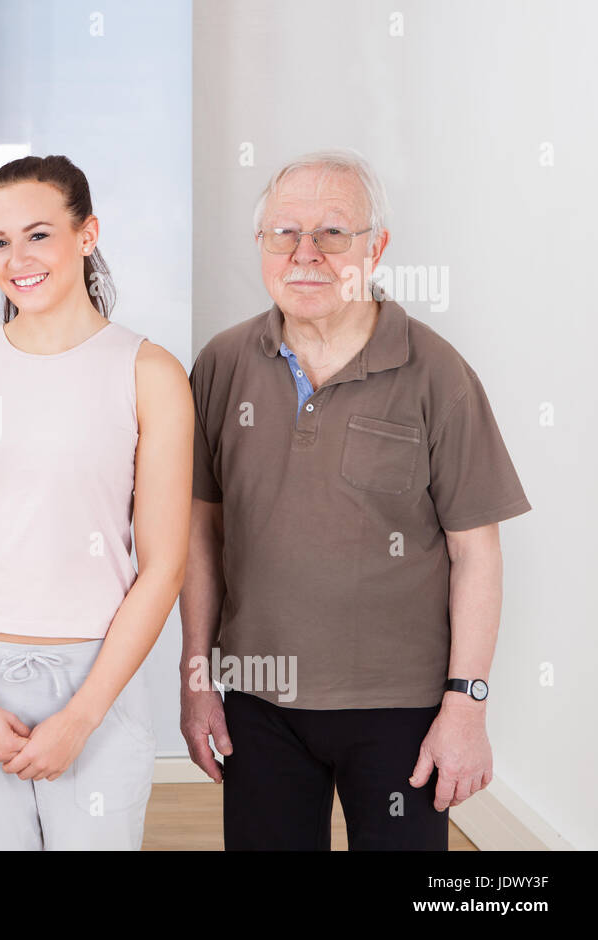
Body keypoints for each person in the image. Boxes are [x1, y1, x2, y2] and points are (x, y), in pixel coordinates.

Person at [181, 148, 531, 850]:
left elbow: (476, 555)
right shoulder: (221, 363)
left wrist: (467, 706)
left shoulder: (438, 373)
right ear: (261, 245)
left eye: (333, 233)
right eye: (284, 232)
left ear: (378, 246)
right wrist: (197, 678)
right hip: (259, 700)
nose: (305, 252)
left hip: (400, 709)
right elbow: (199, 532)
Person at [0, 155, 193, 850]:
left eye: (38, 235)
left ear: (87, 234)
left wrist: (83, 716)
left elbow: (163, 566)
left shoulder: (150, 373)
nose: (16, 259)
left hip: (98, 682)